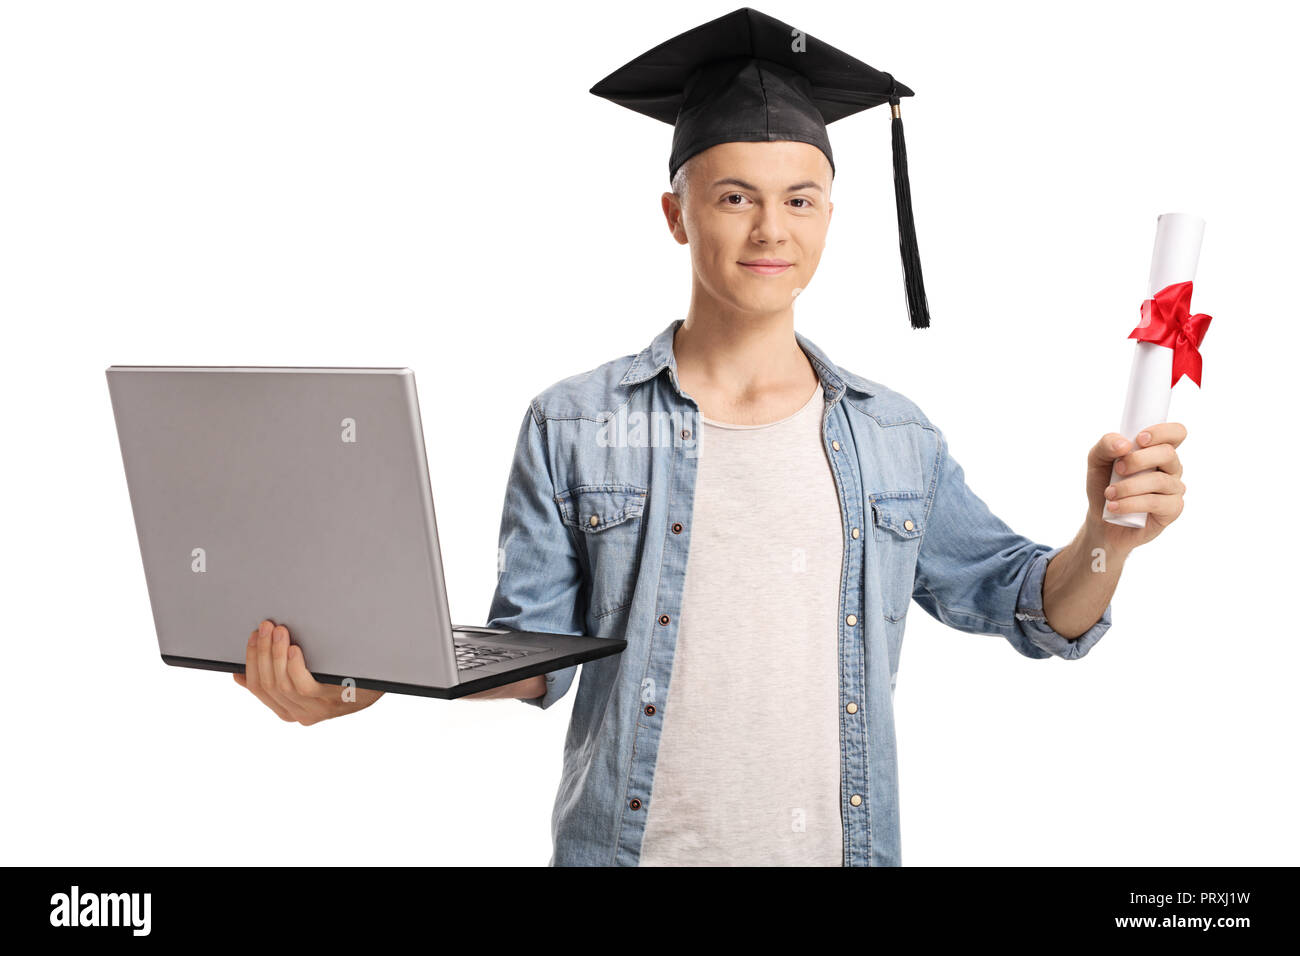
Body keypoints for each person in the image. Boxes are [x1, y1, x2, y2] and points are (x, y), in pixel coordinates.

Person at [234, 8, 1188, 866]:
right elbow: (529, 658)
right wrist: (365, 681)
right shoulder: (575, 424)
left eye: (801, 198)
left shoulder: (895, 436)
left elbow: (1032, 608)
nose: (772, 228)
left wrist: (1109, 536)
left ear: (828, 215)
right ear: (675, 213)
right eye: (735, 196)